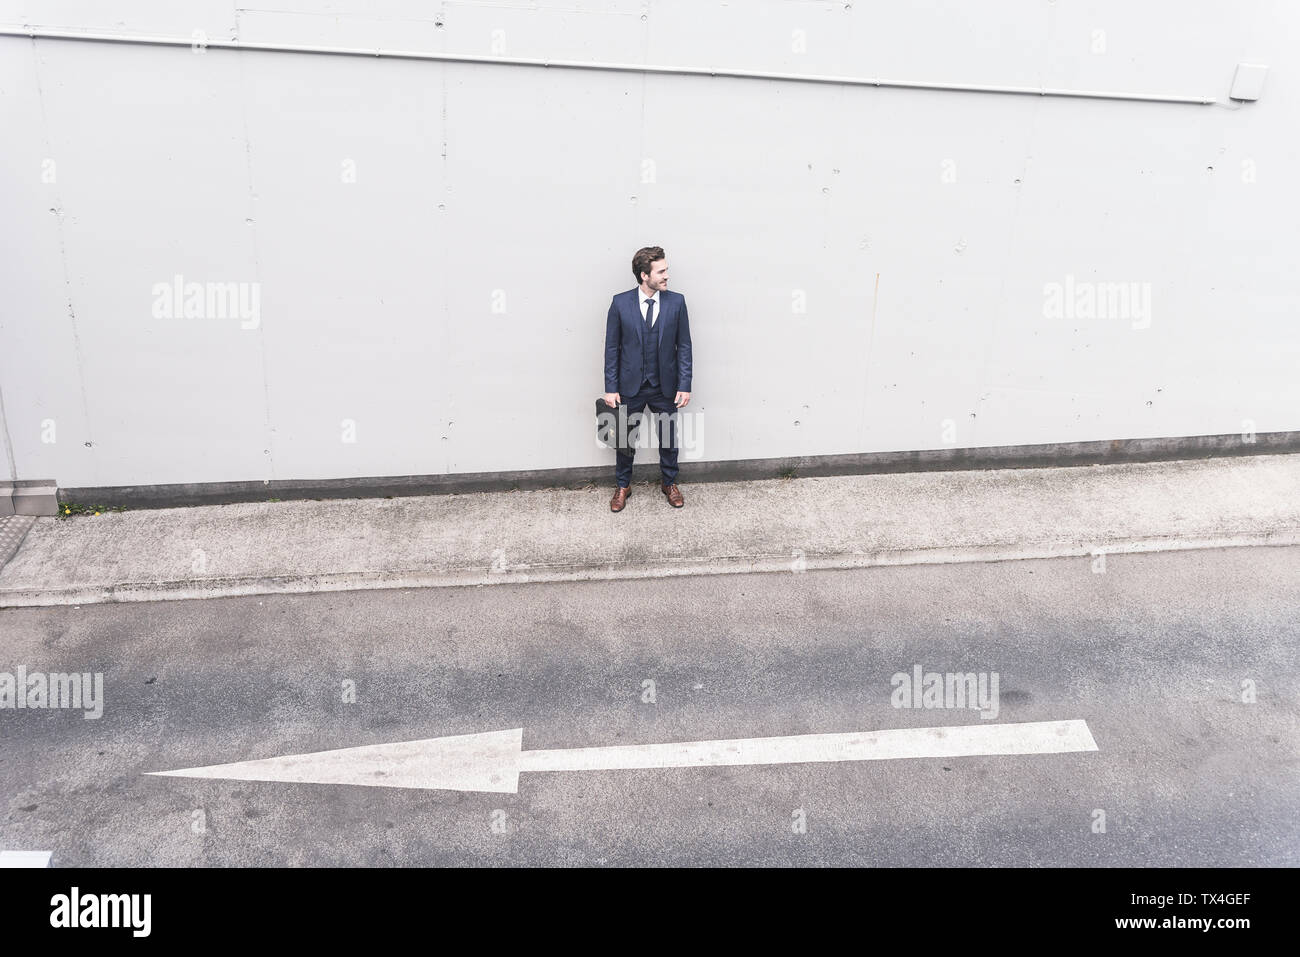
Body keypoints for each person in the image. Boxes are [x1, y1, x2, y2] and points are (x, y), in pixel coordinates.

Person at [603, 246, 692, 512]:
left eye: (666, 270)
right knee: (624, 440)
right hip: (630, 386)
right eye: (661, 271)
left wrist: (684, 385)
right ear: (645, 275)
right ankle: (623, 485)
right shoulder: (620, 303)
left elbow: (684, 346)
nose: (666, 276)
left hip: (664, 386)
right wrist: (611, 388)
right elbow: (611, 349)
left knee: (668, 438)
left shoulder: (677, 302)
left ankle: (669, 482)